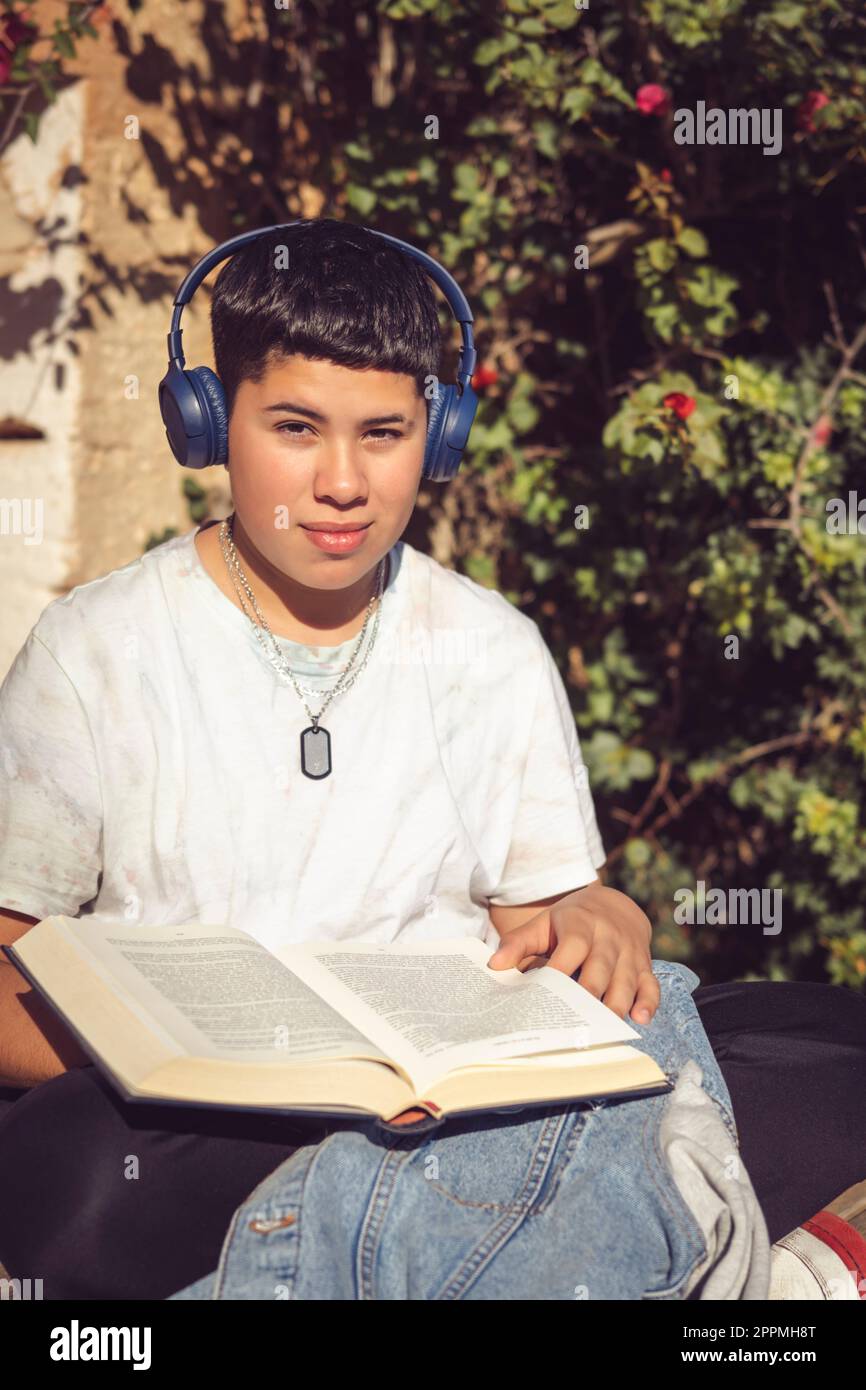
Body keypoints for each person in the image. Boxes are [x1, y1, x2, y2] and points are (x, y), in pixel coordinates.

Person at [0, 220, 861, 1300]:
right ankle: (623, 1239)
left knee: (833, 1047)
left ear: (438, 436)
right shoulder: (93, 650)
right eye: (296, 428)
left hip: (462, 1094)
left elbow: (549, 920)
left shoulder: (488, 644)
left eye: (385, 434)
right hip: (209, 1118)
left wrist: (608, 918)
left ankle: (385, 1238)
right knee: (74, 1184)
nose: (343, 481)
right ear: (210, 422)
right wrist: (167, 1047)